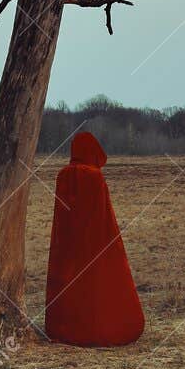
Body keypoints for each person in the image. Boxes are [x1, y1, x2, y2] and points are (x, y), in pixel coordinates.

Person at [44, 132, 144, 346]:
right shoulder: (93, 176)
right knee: (96, 281)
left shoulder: (63, 175)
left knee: (70, 281)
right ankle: (98, 328)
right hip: (96, 240)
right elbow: (102, 213)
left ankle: (67, 328)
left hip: (67, 243)